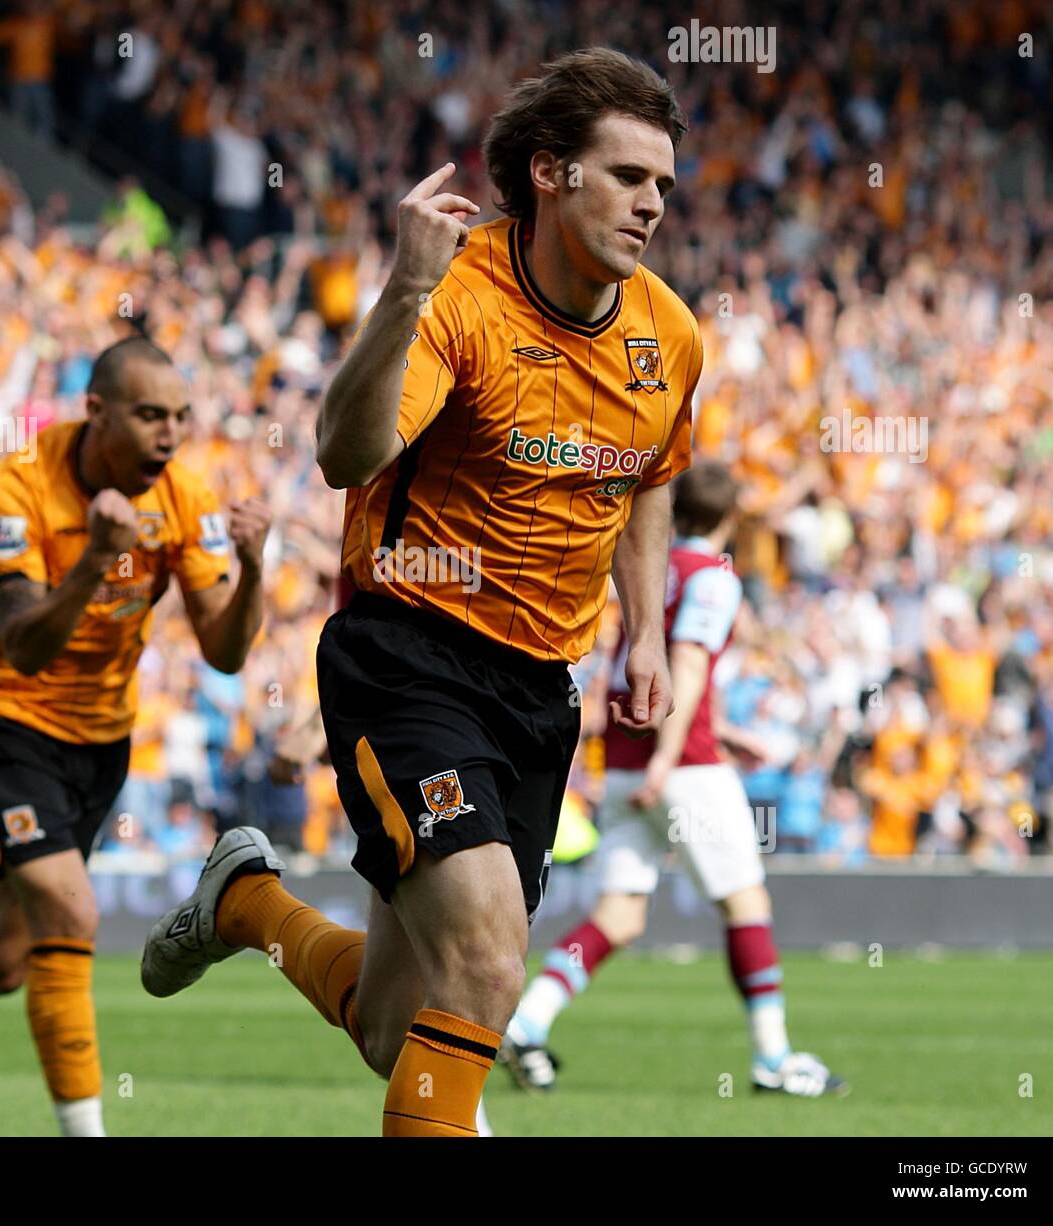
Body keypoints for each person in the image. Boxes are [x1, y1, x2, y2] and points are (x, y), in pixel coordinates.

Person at [141, 48, 701, 1137]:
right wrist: (402, 286)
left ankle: (244, 902)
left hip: (541, 687)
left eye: (664, 186)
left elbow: (647, 479)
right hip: (410, 655)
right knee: (489, 963)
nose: (652, 205)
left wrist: (644, 632)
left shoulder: (668, 334)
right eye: (629, 175)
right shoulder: (457, 295)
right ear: (549, 173)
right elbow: (346, 455)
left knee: (398, 1027)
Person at [0, 337, 271, 1137]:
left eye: (180, 416)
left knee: (0, 963)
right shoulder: (13, 488)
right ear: (96, 412)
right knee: (70, 911)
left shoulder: (187, 497)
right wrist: (97, 562)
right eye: (148, 416)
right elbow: (27, 648)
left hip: (101, 737)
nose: (169, 435)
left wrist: (253, 568)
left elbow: (225, 652)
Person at [500, 462, 847, 1097]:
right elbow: (683, 662)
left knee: (620, 916)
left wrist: (696, 736)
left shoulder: (650, 567)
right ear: (730, 516)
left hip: (632, 760)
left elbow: (631, 664)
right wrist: (671, 756)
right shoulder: (714, 577)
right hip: (678, 768)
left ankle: (528, 1020)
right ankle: (775, 1058)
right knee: (746, 903)